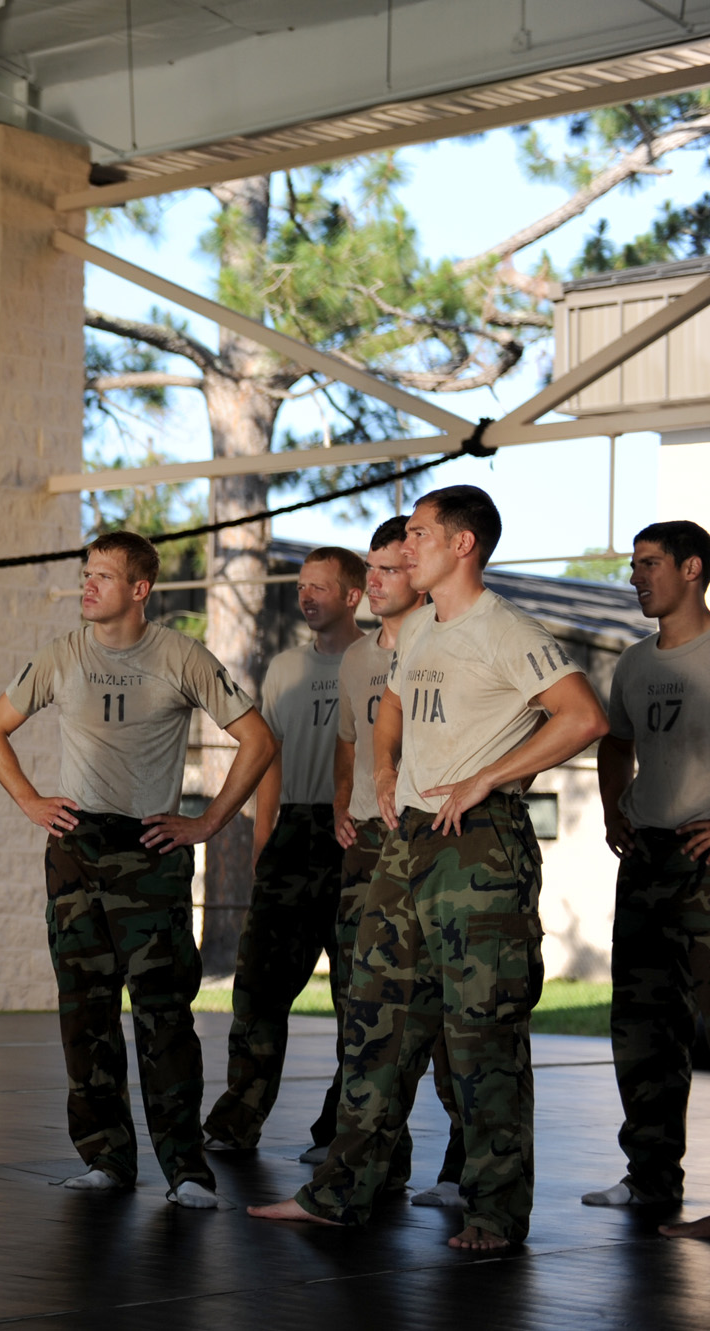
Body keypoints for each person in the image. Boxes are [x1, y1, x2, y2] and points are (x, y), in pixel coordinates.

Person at [250, 484, 610, 1251]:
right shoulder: (416, 633)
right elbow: (392, 708)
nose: (405, 548)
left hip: (480, 846)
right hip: (406, 839)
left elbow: (585, 715)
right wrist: (383, 773)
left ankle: (494, 1211)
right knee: (373, 1021)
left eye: (417, 535)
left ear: (462, 546)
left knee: (480, 1035)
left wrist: (491, 775)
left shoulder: (506, 628)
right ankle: (338, 1192)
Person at [0, 529, 278, 1209]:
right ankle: (106, 1157)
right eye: (86, 574)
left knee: (163, 1017)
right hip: (75, 851)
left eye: (102, 577)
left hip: (150, 852)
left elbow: (258, 738)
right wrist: (29, 798)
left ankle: (186, 1168)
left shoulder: (180, 655)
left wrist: (207, 822)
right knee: (84, 1015)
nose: (87, 586)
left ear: (139, 590)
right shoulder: (62, 655)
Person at [203, 547, 366, 1155]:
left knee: (360, 997)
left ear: (354, 596)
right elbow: (265, 754)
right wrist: (263, 833)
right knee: (258, 989)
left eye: (320, 587)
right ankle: (236, 1122)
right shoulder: (284, 669)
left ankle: (342, 1132)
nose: (306, 596)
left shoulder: (381, 661)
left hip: (358, 835)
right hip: (292, 835)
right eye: (302, 586)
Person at [326, 519, 465, 1206]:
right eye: (371, 568)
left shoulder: (451, 640)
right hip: (370, 845)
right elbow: (352, 741)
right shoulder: (358, 657)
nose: (375, 581)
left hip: (440, 838)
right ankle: (378, 1160)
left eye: (389, 567)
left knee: (446, 1014)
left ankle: (463, 1167)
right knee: (368, 1007)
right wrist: (343, 803)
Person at [577, 521, 710, 1227]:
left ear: (692, 569)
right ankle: (651, 1176)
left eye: (650, 563)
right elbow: (615, 740)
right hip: (648, 857)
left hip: (705, 858)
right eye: (633, 564)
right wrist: (611, 811)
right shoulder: (633, 662)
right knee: (642, 1025)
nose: (635, 576)